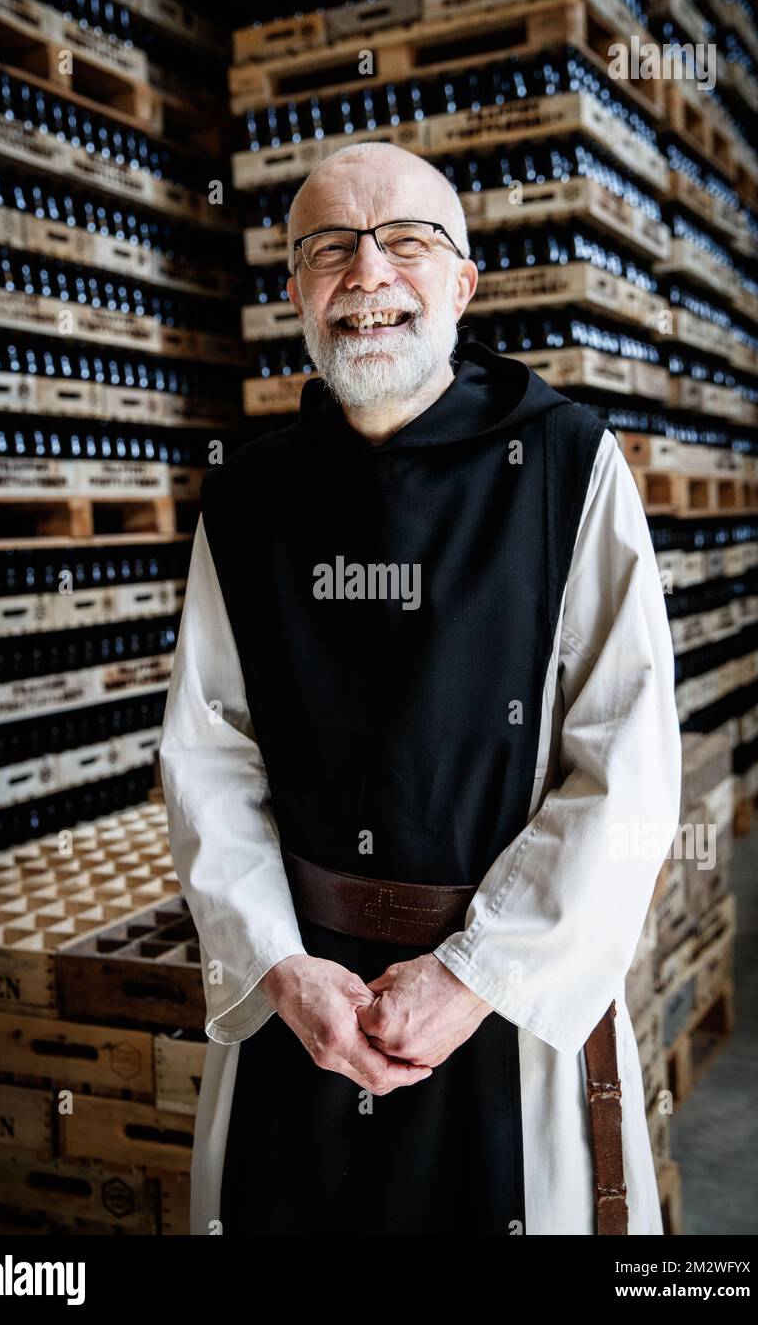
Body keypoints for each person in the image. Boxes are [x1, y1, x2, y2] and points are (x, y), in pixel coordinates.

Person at [158, 139, 682, 1235]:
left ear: (460, 282)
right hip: (306, 1003)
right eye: (327, 249)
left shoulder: (566, 469)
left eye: (404, 242)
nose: (367, 274)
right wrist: (279, 968)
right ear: (295, 289)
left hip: (500, 996)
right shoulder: (248, 502)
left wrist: (473, 974)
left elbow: (624, 761)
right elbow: (211, 751)